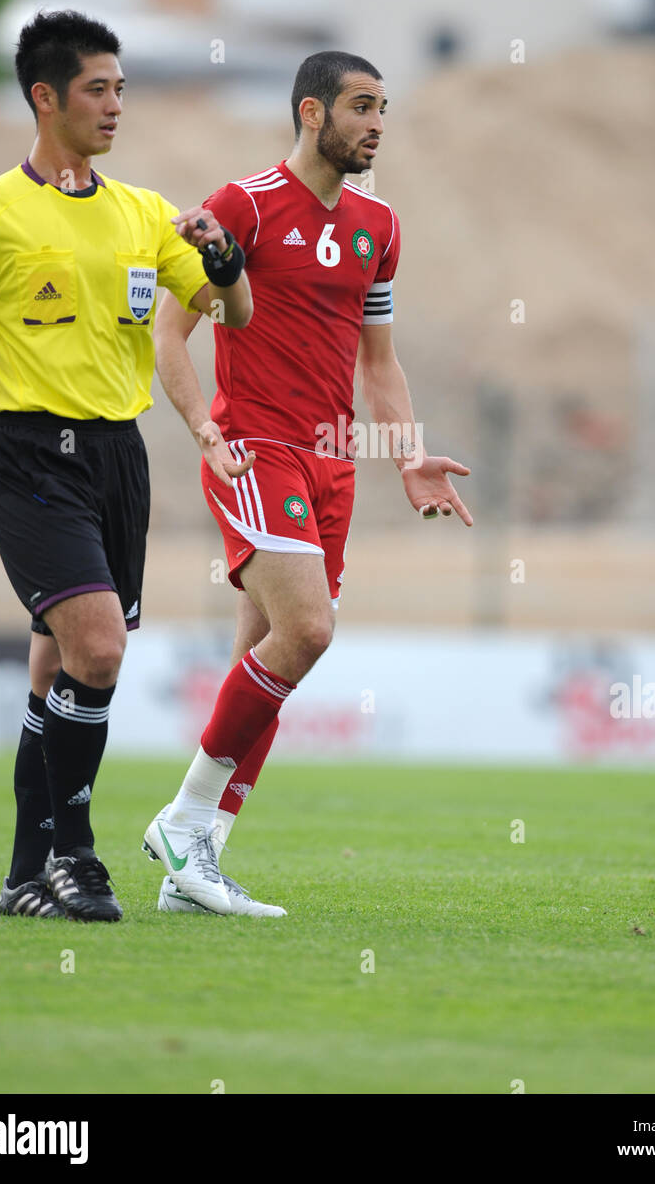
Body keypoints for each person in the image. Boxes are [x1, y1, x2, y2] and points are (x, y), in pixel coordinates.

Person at [0, 9, 253, 921]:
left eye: (122, 88)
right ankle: (76, 856)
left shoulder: (146, 214)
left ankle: (20, 875)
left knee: (55, 674)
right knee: (100, 648)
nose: (117, 105)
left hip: (119, 457)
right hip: (31, 453)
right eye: (97, 89)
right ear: (45, 97)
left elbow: (234, 315)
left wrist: (226, 262)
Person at [143, 50, 473, 917]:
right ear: (310, 111)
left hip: (333, 463)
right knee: (309, 632)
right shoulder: (241, 206)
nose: (376, 124)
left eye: (384, 109)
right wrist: (206, 433)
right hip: (258, 449)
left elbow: (379, 359)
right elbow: (169, 335)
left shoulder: (379, 225)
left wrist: (407, 453)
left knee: (269, 665)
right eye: (361, 107)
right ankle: (181, 821)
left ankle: (196, 867)